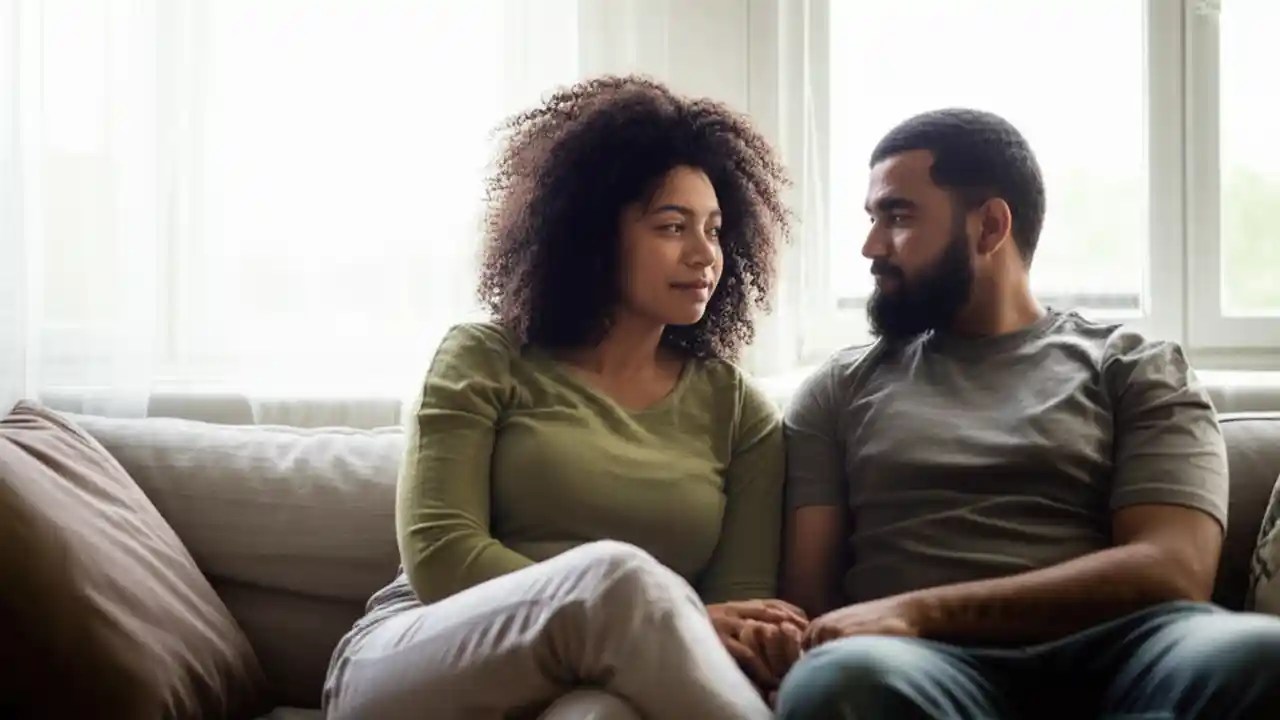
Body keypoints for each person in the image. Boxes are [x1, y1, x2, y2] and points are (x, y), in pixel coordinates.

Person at [322, 76, 803, 720]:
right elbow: (442, 555)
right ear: (594, 234)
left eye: (714, 231)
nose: (703, 255)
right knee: (617, 579)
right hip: (423, 652)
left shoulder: (741, 413)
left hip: (610, 681)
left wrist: (685, 625)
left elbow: (738, 612)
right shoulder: (486, 357)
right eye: (672, 226)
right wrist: (639, 608)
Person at [776, 108, 1280, 719]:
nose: (872, 246)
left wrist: (920, 610)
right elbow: (809, 605)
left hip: (1126, 653)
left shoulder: (1135, 368)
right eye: (873, 219)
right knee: (838, 684)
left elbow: (1175, 569)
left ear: (990, 226)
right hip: (915, 668)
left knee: (1261, 655)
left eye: (899, 217)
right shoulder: (838, 390)